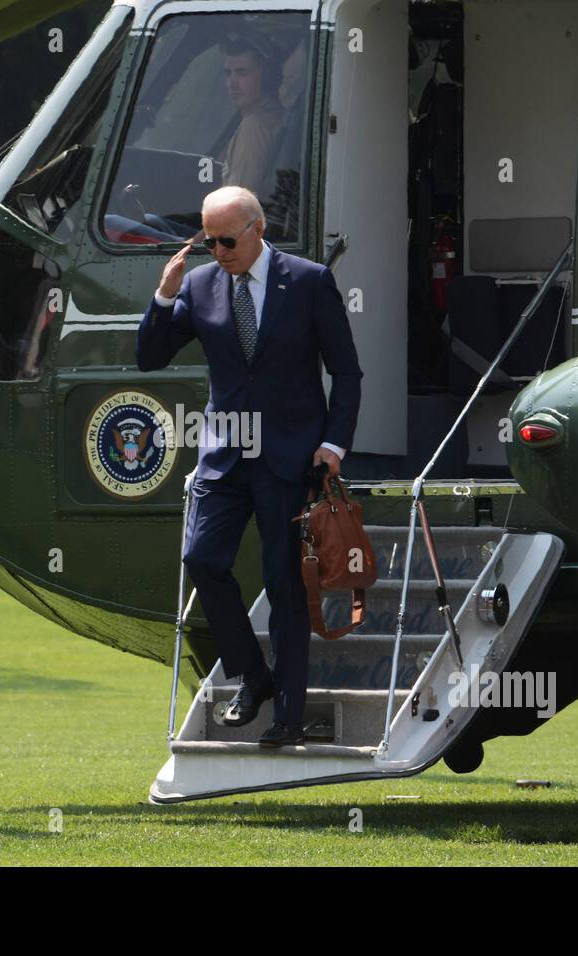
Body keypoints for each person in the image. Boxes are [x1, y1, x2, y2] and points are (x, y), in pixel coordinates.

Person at [136, 187, 362, 746]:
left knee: (285, 583)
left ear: (259, 230)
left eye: (228, 240)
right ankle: (251, 675)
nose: (218, 251)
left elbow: (348, 373)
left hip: (291, 456)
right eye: (209, 241)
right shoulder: (199, 283)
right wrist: (163, 299)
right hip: (225, 454)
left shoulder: (308, 281)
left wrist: (333, 445)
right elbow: (150, 356)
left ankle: (288, 717)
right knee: (202, 560)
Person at [218, 36, 287, 195]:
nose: (232, 83)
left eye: (242, 73)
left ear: (266, 77)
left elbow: (235, 205)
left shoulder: (255, 126)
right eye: (228, 73)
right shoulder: (274, 117)